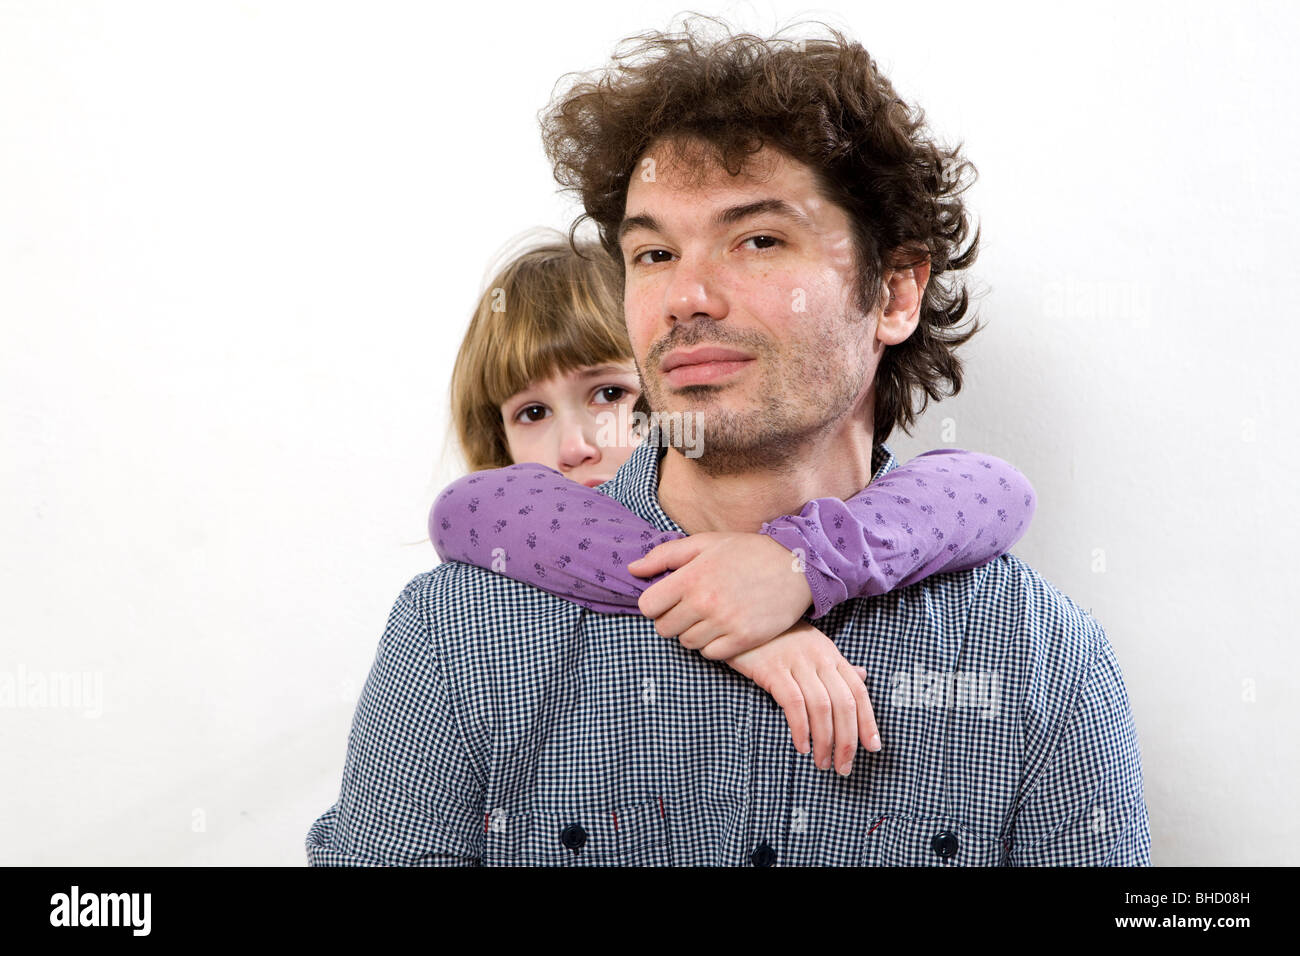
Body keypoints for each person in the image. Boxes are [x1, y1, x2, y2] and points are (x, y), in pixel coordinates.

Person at [307, 19, 1149, 866]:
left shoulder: (1039, 660)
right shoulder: (462, 633)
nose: (687, 295)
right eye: (655, 252)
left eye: (757, 239)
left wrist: (799, 568)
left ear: (894, 293)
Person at [431, 232, 1034, 768]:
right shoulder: (487, 585)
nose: (575, 445)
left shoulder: (1026, 636)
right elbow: (466, 505)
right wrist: (735, 611)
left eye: (609, 393)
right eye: (531, 412)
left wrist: (794, 566)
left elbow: (997, 489)